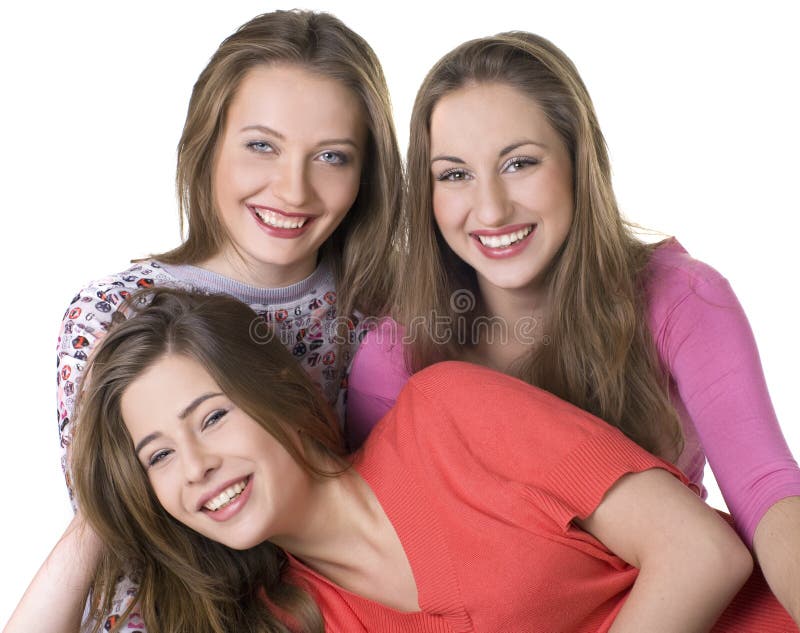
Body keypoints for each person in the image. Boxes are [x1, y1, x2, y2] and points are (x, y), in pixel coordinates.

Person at [6, 289, 797, 633]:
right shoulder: (286, 616)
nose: (198, 467)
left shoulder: (445, 414)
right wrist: (102, 512)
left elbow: (702, 549)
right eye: (159, 457)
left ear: (276, 389)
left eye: (211, 416)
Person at [345, 31, 800, 622]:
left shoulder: (682, 298)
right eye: (454, 175)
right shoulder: (395, 354)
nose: (491, 210)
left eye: (519, 163)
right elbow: (375, 554)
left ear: (579, 161)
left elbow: (767, 492)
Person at [54, 9, 402, 631]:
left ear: (366, 173)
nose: (293, 191)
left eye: (331, 156)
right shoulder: (113, 313)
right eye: (261, 145)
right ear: (207, 143)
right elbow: (121, 545)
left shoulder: (379, 306)